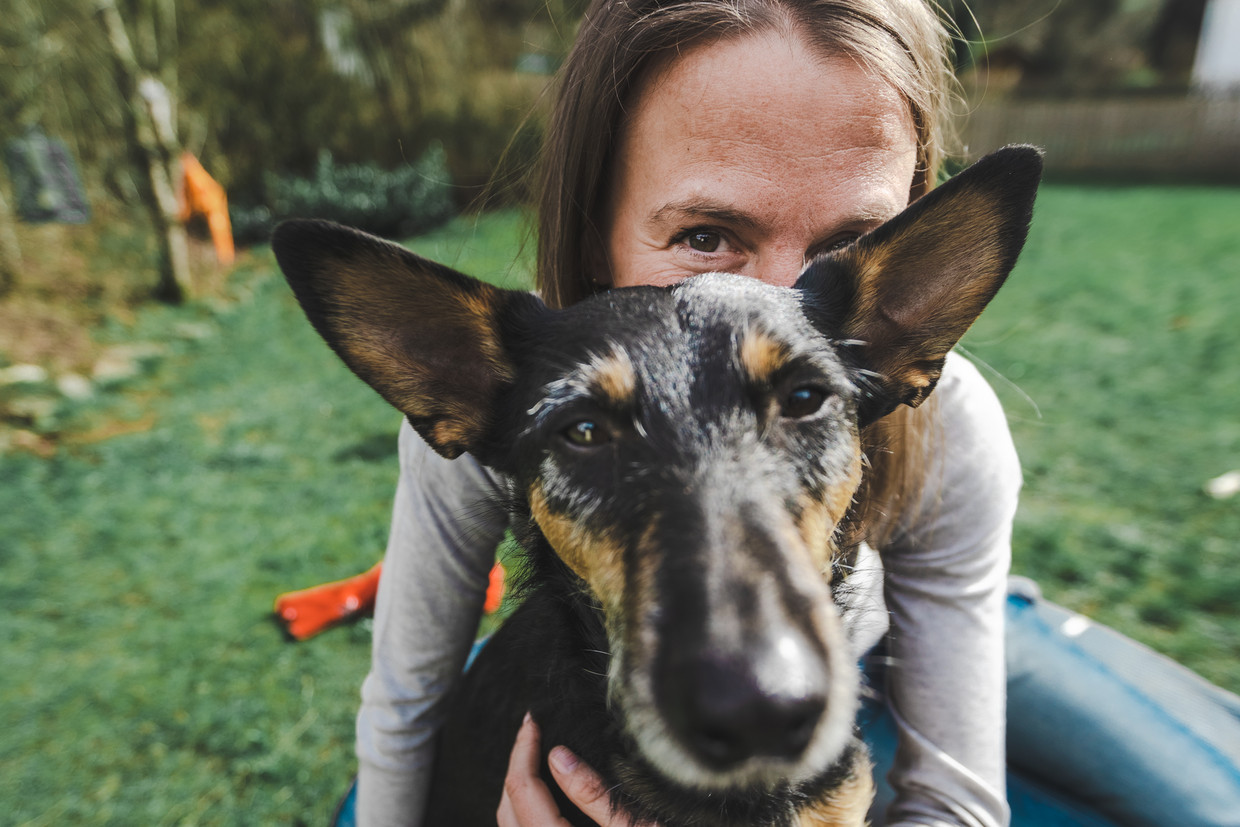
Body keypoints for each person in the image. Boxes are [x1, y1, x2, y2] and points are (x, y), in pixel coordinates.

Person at [348, 2, 1240, 825]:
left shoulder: (952, 418)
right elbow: (406, 700)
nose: (769, 298)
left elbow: (958, 803)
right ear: (595, 228)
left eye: (845, 243)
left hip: (943, 618)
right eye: (706, 236)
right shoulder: (513, 388)